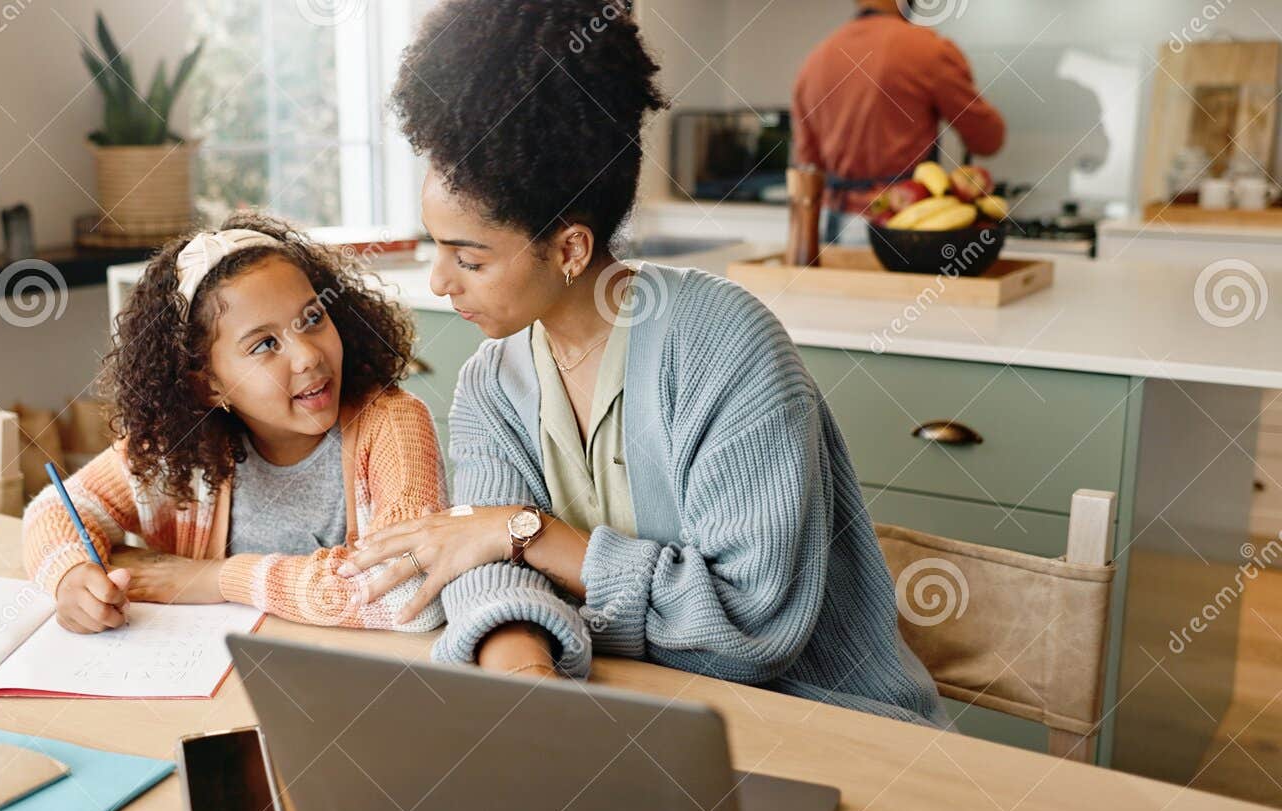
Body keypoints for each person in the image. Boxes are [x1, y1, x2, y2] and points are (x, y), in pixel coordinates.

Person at [340, 0, 947, 726]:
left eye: (468, 257)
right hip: (632, 714)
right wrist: (533, 683)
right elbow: (487, 577)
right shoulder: (492, 384)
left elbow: (745, 634)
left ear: (569, 250)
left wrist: (528, 531)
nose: (440, 282)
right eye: (434, 246)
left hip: (824, 726)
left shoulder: (725, 347)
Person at [22, 213, 447, 635]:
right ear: (209, 385)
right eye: (265, 344)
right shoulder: (179, 448)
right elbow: (54, 510)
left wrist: (209, 578)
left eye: (313, 318)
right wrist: (72, 576)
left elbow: (409, 593)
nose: (308, 357)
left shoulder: (393, 423)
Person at [792, 0, 1005, 244]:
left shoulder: (815, 60)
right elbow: (988, 140)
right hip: (903, 222)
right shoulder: (927, 50)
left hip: (833, 225)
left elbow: (807, 164)